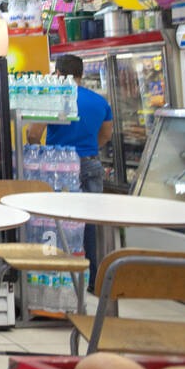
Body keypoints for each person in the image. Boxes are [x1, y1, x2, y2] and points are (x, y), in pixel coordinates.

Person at [25, 54, 114, 290]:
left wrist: (39, 153)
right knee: (90, 222)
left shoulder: (55, 98)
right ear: (81, 74)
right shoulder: (99, 102)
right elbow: (106, 136)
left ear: (58, 74)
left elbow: (34, 134)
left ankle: (64, 276)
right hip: (91, 163)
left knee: (62, 222)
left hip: (60, 169)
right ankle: (93, 278)